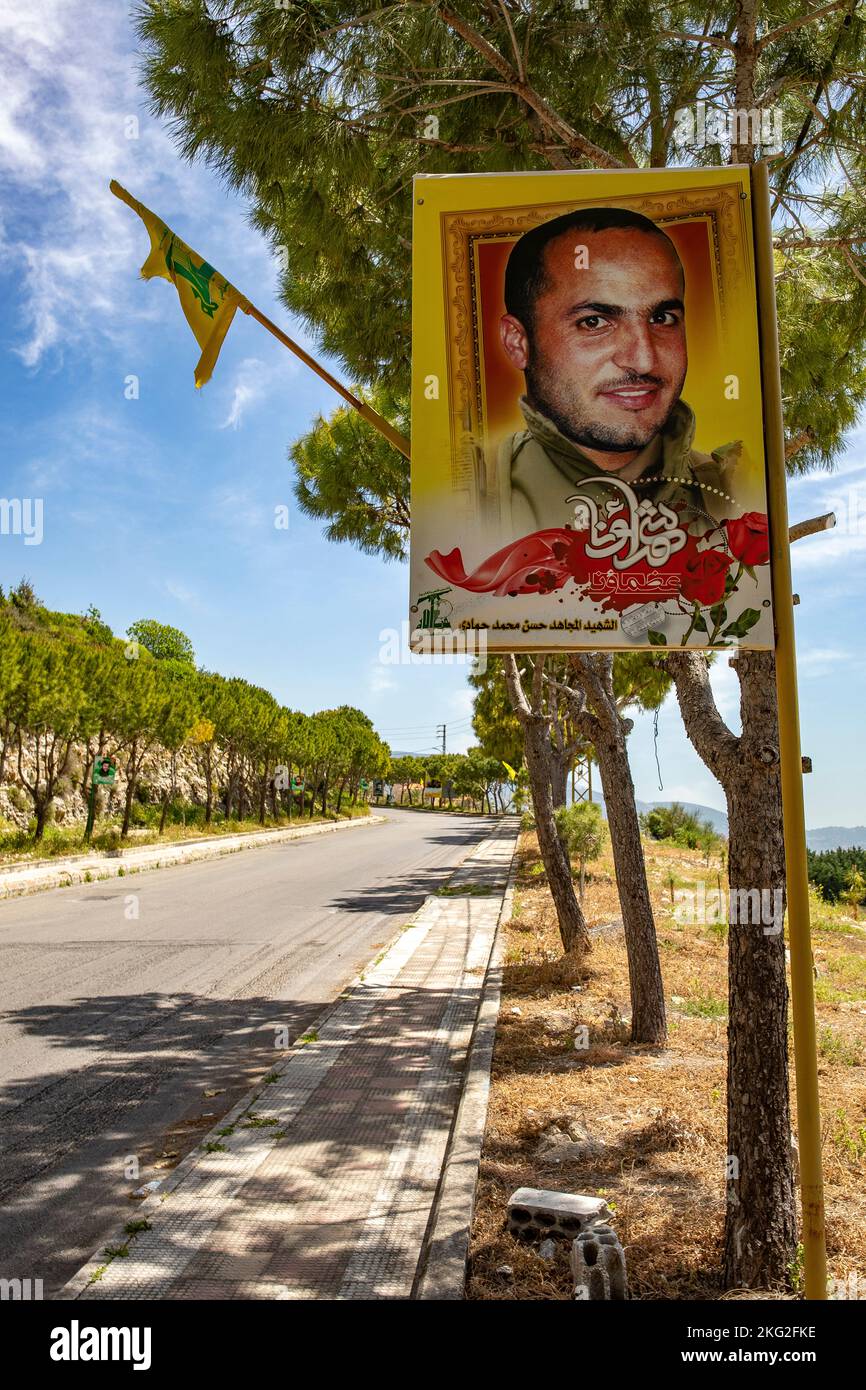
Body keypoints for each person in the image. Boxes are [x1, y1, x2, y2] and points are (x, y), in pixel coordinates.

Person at [496, 206, 740, 537]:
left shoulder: (735, 497)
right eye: (594, 322)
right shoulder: (462, 499)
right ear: (518, 342)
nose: (643, 360)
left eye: (662, 319)